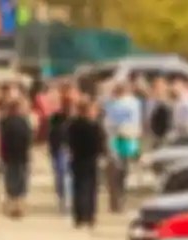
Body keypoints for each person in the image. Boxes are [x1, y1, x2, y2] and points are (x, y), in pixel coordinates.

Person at [102, 81, 143, 213]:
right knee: (124, 169)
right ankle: (121, 199)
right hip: (129, 136)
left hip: (116, 138)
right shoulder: (134, 103)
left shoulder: (113, 104)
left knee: (115, 171)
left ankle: (116, 201)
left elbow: (108, 123)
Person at [66, 99, 105, 229]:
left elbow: (68, 142)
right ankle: (89, 215)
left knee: (78, 188)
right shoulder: (94, 126)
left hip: (77, 159)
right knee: (91, 188)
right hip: (91, 159)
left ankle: (79, 216)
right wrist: (101, 154)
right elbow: (100, 143)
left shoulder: (73, 125)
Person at [0, 96, 33, 218]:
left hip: (9, 156)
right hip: (21, 156)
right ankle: (19, 208)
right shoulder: (24, 122)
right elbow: (29, 139)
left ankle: (13, 207)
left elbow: (1, 140)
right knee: (21, 182)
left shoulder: (4, 122)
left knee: (11, 182)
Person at [46, 83, 75, 213]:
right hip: (60, 149)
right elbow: (52, 133)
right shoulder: (56, 117)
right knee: (61, 176)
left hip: (71, 149)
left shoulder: (76, 117)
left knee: (68, 177)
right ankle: (63, 200)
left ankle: (69, 202)